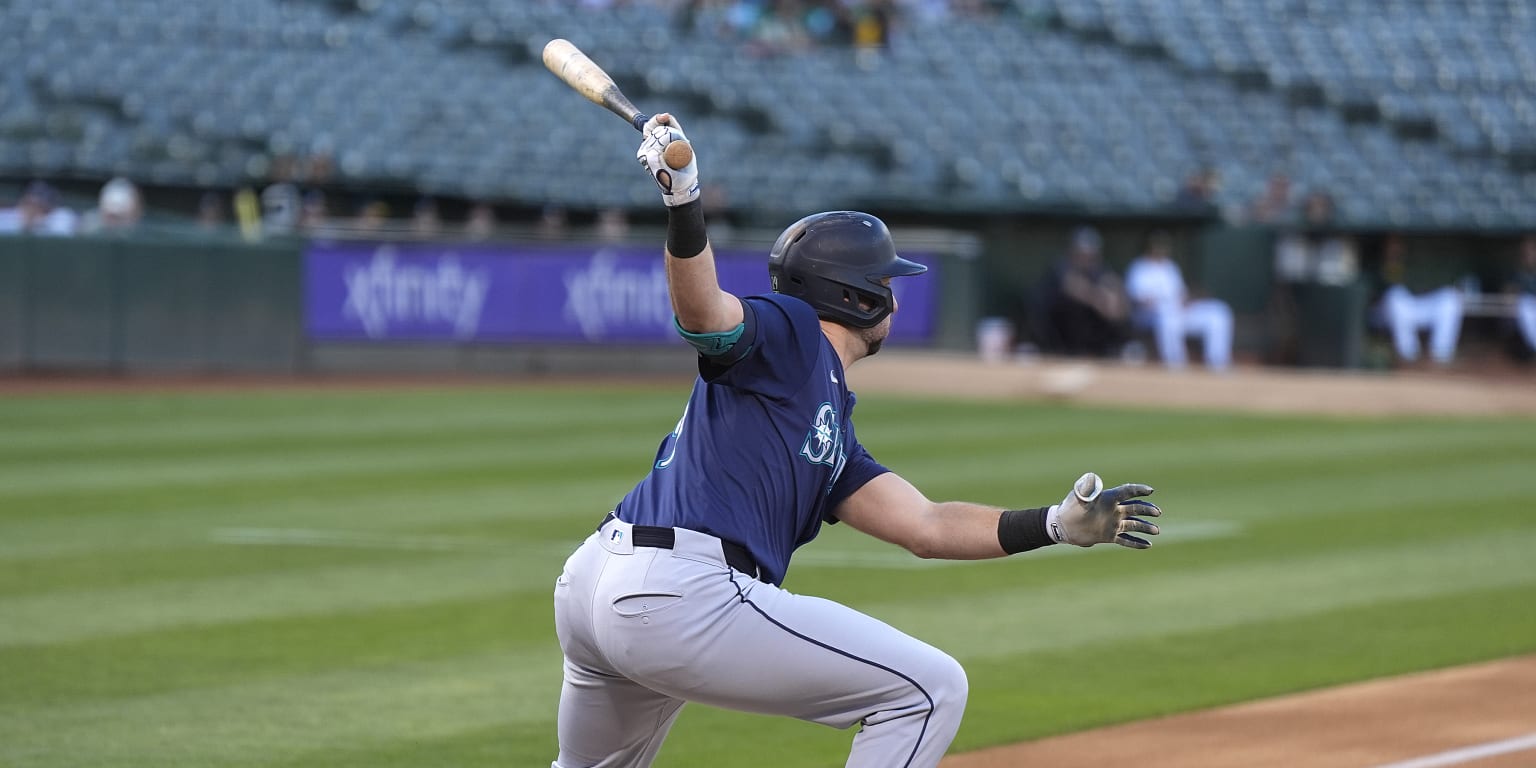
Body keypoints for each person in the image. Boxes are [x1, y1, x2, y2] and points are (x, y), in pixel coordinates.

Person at [549, 113, 1164, 768]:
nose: (895, 300)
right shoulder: (792, 332)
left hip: (598, 580)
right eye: (886, 283)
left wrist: (1054, 525)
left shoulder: (826, 418)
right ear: (856, 294)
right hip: (676, 593)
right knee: (928, 691)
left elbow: (926, 525)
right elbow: (703, 316)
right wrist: (685, 200)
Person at [1124, 230, 1234, 371]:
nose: (1160, 249)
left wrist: (1188, 301)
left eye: (1163, 246)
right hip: (1151, 315)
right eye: (1157, 245)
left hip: (1177, 311)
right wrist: (1163, 303)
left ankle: (1218, 363)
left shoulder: (1170, 266)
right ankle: (1176, 366)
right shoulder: (1139, 267)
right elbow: (1138, 299)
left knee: (1218, 312)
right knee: (1168, 317)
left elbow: (1181, 294)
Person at [1031, 226, 1131, 358]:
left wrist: (1113, 301)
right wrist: (1099, 299)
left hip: (1093, 336)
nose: (1086, 257)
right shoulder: (1061, 267)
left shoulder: (1102, 270)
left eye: (1090, 253)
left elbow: (1116, 300)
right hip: (1060, 332)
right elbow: (1073, 286)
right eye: (1082, 253)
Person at [1369, 235, 1463, 367]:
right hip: (1404, 307)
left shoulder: (1443, 255)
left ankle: (1441, 356)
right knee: (1395, 295)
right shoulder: (1395, 259)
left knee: (1450, 298)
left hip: (1431, 305)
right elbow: (1386, 284)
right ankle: (1407, 356)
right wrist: (1393, 256)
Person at [0, 181, 78, 236]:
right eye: (29, 203)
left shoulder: (61, 216)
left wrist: (36, 224)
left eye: (38, 205)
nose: (32, 208)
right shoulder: (9, 216)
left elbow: (62, 232)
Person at [1507, 235, 1536, 356]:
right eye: (1525, 252)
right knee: (1525, 305)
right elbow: (1509, 291)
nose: (1529, 255)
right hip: (1524, 310)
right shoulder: (1517, 272)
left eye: (1531, 251)